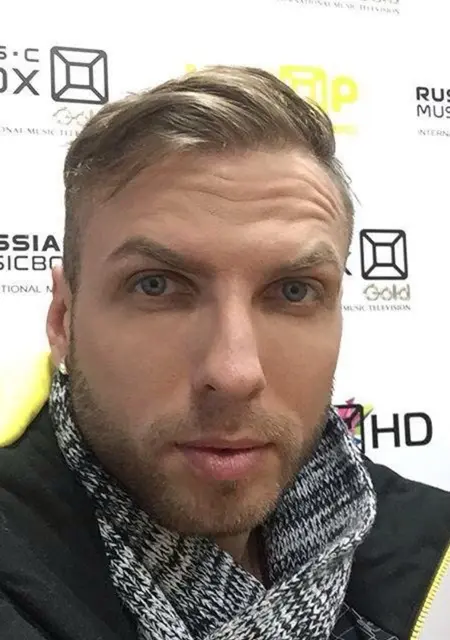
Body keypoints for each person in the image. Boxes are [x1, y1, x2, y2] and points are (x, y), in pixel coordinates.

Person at [0, 66, 448, 640]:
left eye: (294, 291)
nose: (234, 373)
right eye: (156, 285)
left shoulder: (432, 555)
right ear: (63, 317)